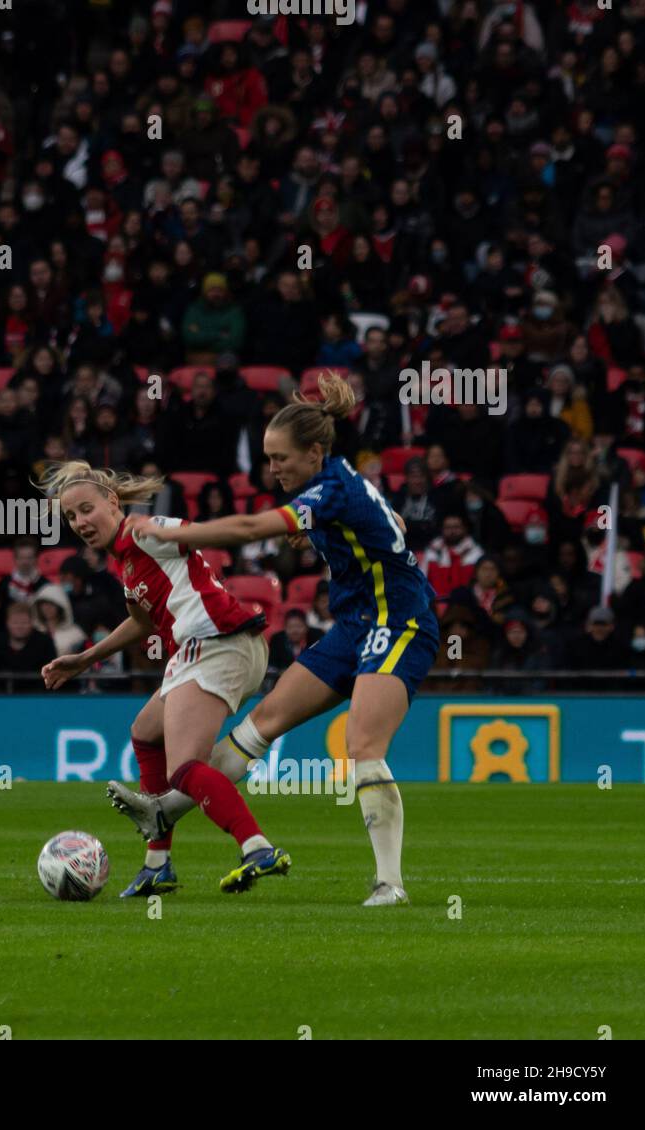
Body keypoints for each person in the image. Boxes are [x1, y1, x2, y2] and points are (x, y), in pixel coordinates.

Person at [109, 372, 439, 907]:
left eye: (280, 458)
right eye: (266, 458)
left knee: (363, 748)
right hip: (354, 625)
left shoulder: (334, 489)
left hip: (399, 622)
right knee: (260, 725)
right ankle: (165, 809)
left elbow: (245, 530)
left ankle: (390, 883)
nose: (272, 468)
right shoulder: (332, 487)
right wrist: (320, 528)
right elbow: (391, 519)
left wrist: (173, 533)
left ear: (314, 452)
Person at [38, 460, 290, 898]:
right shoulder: (128, 563)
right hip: (205, 650)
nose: (80, 522)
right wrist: (86, 658)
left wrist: (282, 529)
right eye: (71, 517)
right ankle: (157, 864)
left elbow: (208, 533)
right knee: (145, 733)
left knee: (185, 768)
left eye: (86, 509)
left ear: (112, 502)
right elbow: (141, 621)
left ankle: (257, 847)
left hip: (217, 643)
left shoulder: (143, 531)